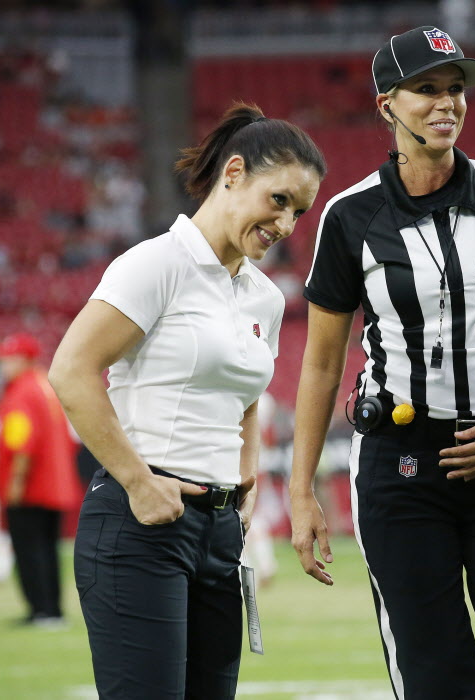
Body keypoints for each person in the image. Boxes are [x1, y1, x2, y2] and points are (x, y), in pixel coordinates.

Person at [289, 26, 475, 699]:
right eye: (427, 90)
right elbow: (320, 365)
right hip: (401, 469)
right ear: (386, 104)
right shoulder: (350, 217)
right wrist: (301, 490)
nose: (447, 103)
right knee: (435, 679)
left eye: (455, 90)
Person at [49, 102, 325, 699]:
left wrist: (245, 474)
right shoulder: (156, 264)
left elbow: (247, 394)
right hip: (139, 524)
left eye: (299, 211)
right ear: (233, 175)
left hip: (219, 533)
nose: (286, 223)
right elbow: (71, 370)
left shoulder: (265, 298)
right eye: (278, 200)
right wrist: (138, 482)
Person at [0, 332, 81, 626]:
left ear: (25, 359)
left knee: (29, 549)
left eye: (9, 359)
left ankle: (40, 610)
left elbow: (22, 441)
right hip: (56, 483)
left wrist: (16, 481)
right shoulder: (46, 385)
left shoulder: (21, 392)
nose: (3, 366)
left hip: (31, 486)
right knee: (47, 548)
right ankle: (52, 608)